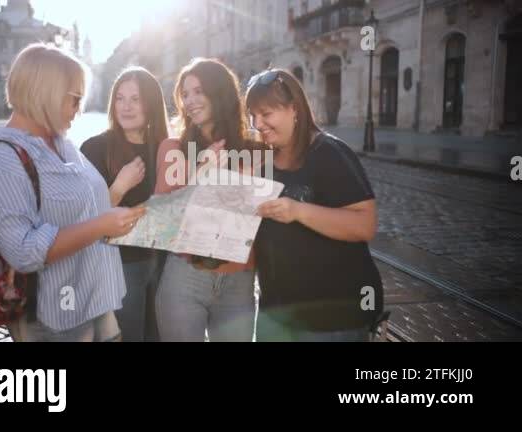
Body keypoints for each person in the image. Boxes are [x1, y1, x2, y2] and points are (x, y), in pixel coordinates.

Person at [0, 43, 145, 342]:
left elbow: (88, 204)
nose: (79, 111)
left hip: (97, 304)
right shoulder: (2, 159)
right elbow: (24, 251)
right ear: (46, 93)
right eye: (75, 99)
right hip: (55, 321)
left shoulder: (60, 143)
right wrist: (101, 226)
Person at [246, 69, 384, 342]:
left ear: (294, 109)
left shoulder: (329, 153)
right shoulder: (263, 162)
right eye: (252, 115)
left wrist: (298, 211)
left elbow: (365, 224)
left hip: (330, 321)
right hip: (276, 317)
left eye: (266, 114)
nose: (257, 123)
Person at [154, 58, 260, 342]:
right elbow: (161, 222)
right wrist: (201, 174)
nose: (190, 100)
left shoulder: (255, 149)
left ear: (220, 93)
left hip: (239, 279)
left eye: (199, 91)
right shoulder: (173, 149)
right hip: (186, 275)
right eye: (185, 94)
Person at [81, 67, 169, 342]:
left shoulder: (167, 148)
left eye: (136, 99)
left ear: (151, 104)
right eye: (120, 98)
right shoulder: (94, 148)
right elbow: (83, 220)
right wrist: (119, 186)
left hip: (164, 263)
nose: (126, 107)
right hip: (120, 266)